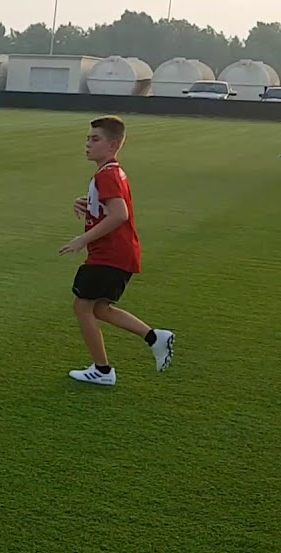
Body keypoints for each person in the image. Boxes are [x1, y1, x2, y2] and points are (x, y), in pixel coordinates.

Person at [60, 115, 174, 386]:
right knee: (98, 307)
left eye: (95, 139)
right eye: (88, 138)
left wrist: (82, 239)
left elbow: (119, 214)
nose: (88, 144)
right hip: (118, 254)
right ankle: (154, 337)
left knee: (82, 306)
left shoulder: (107, 175)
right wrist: (88, 205)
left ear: (113, 146)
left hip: (110, 254)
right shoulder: (109, 172)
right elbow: (110, 208)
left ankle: (102, 370)